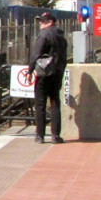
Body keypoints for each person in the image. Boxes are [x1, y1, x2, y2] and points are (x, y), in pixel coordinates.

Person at [28, 11, 68, 143]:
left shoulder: (44, 35)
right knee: (55, 102)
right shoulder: (61, 36)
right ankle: (55, 135)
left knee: (40, 104)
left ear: (50, 22)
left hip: (44, 73)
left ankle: (40, 135)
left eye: (43, 21)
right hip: (57, 72)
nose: (40, 23)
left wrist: (30, 70)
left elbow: (36, 54)